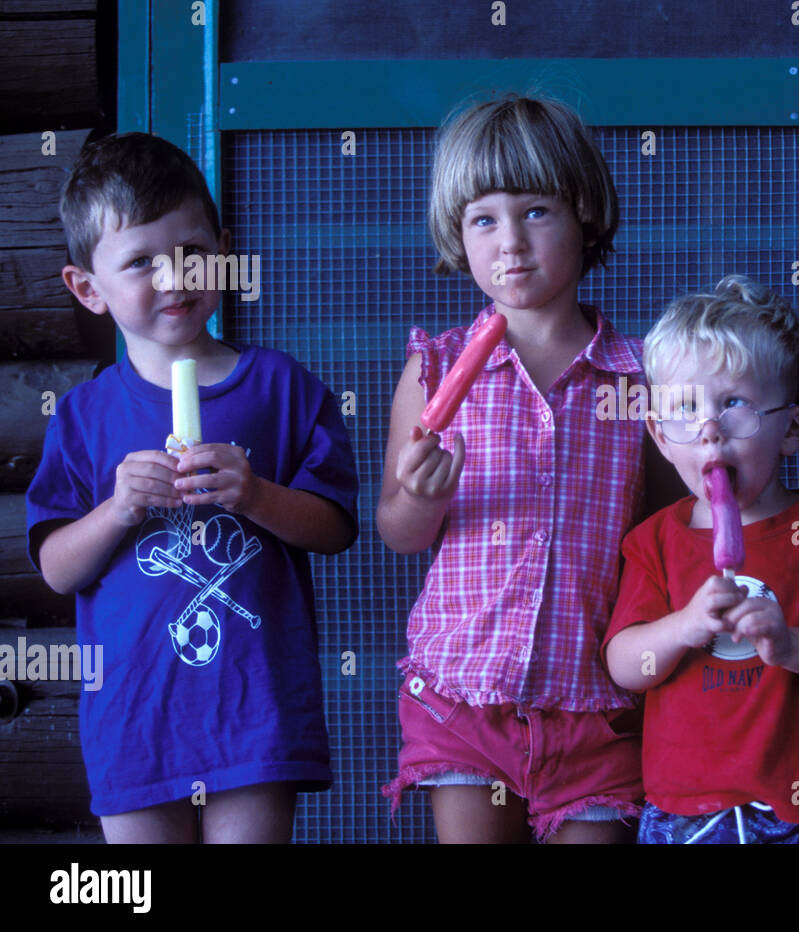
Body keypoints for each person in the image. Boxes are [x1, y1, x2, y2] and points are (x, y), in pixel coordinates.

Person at [26, 132, 359, 842]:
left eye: (191, 252)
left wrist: (256, 494)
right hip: (134, 714)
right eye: (141, 261)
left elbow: (333, 528)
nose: (174, 277)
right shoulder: (85, 416)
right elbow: (56, 568)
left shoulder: (282, 388)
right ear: (88, 287)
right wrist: (117, 509)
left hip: (253, 709)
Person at [378, 95, 646, 843]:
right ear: (457, 237)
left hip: (595, 703)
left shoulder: (638, 380)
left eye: (536, 212)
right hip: (462, 700)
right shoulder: (432, 370)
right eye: (484, 219)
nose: (511, 243)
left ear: (585, 214)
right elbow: (398, 531)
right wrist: (419, 497)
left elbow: (658, 532)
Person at [604, 275, 799, 844]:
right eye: (686, 409)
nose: (710, 432)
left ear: (793, 428)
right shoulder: (653, 543)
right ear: (662, 438)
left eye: (734, 403)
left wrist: (791, 645)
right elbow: (624, 666)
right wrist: (685, 626)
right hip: (687, 810)